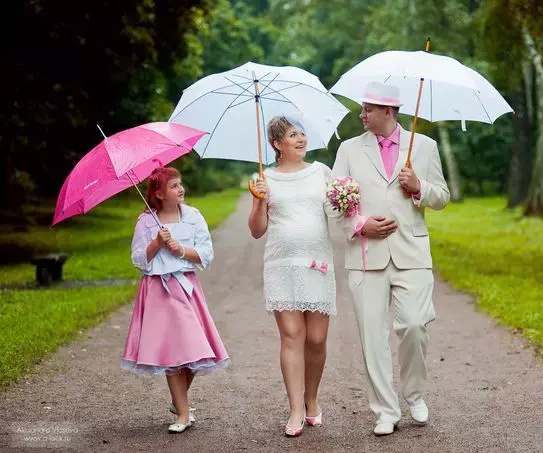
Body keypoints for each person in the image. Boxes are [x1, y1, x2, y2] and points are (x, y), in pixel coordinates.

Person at [332, 81, 450, 436]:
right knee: (372, 336)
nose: (361, 114)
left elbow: (442, 196)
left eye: (367, 108)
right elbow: (332, 200)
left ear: (388, 111)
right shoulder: (349, 149)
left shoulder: (425, 147)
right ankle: (385, 409)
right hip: (365, 255)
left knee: (414, 324)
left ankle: (415, 395)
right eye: (362, 108)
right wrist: (360, 223)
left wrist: (419, 188)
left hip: (411, 252)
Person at [248, 115, 339, 437]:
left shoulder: (322, 173)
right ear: (277, 144)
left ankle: (311, 398)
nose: (301, 139)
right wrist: (260, 201)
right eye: (292, 135)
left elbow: (337, 212)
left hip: (317, 263)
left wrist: (348, 202)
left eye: (302, 133)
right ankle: (296, 409)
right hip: (281, 265)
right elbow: (257, 231)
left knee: (316, 339)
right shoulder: (264, 179)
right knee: (291, 337)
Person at [121, 166, 230, 433]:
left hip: (186, 289)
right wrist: (155, 244)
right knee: (171, 353)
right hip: (158, 290)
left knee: (196, 348)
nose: (180, 189)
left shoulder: (193, 217)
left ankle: (177, 400)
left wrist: (181, 249)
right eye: (173, 186)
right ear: (158, 193)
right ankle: (182, 414)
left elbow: (205, 253)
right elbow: (138, 260)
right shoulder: (146, 221)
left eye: (180, 184)